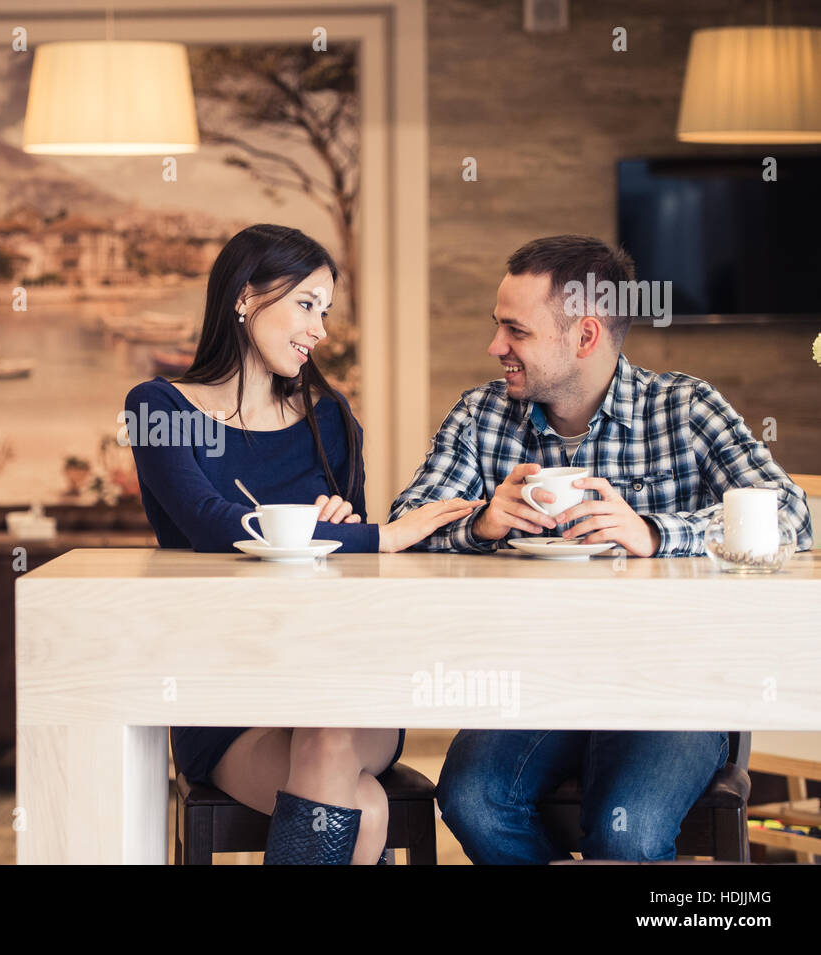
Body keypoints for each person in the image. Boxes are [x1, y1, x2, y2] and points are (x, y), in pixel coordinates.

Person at [389, 233, 813, 863]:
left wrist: (654, 533)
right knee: (473, 801)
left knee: (626, 832)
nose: (495, 347)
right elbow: (406, 525)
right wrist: (480, 525)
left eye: (516, 331)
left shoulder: (684, 408)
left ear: (584, 337)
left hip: (676, 685)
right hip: (538, 684)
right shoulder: (482, 416)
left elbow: (791, 515)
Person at [125, 224, 480, 864]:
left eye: (326, 312)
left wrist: (341, 536)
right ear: (243, 297)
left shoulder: (331, 418)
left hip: (338, 674)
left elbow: (355, 576)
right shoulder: (158, 408)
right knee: (363, 811)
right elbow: (209, 523)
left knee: (327, 737)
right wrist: (375, 537)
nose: (319, 329)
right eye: (306, 304)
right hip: (227, 694)